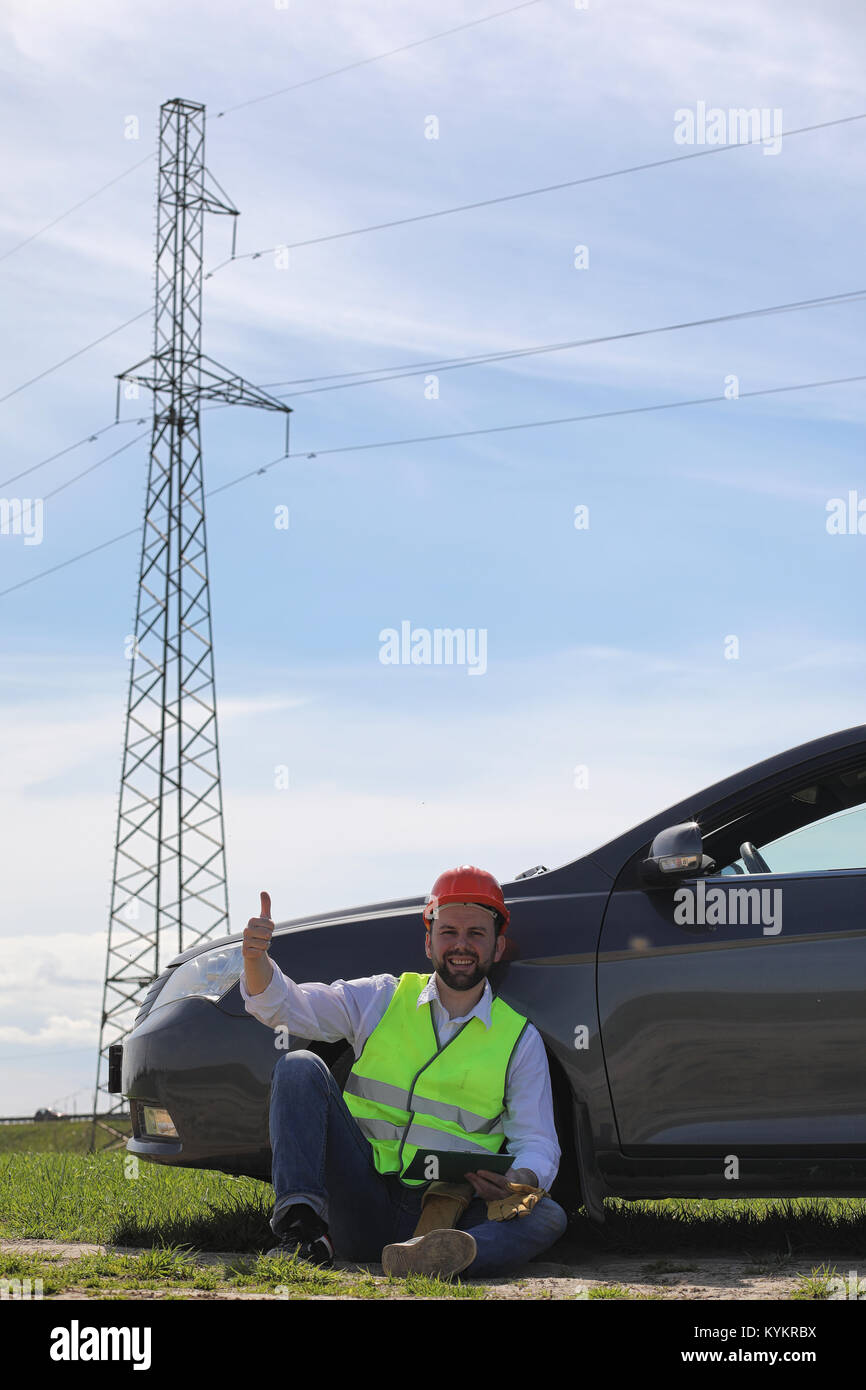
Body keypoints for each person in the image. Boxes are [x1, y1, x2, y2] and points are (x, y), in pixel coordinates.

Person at [241, 864, 569, 1279]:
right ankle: (303, 1237)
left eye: (476, 934)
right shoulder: (382, 998)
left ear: (497, 947)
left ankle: (429, 1258)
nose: (461, 945)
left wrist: (517, 1179)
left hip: (448, 1208)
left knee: (548, 1216)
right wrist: (257, 961)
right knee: (298, 1067)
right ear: (428, 942)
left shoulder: (520, 1039)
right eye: (448, 932)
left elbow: (538, 1141)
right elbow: (286, 1008)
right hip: (361, 1199)